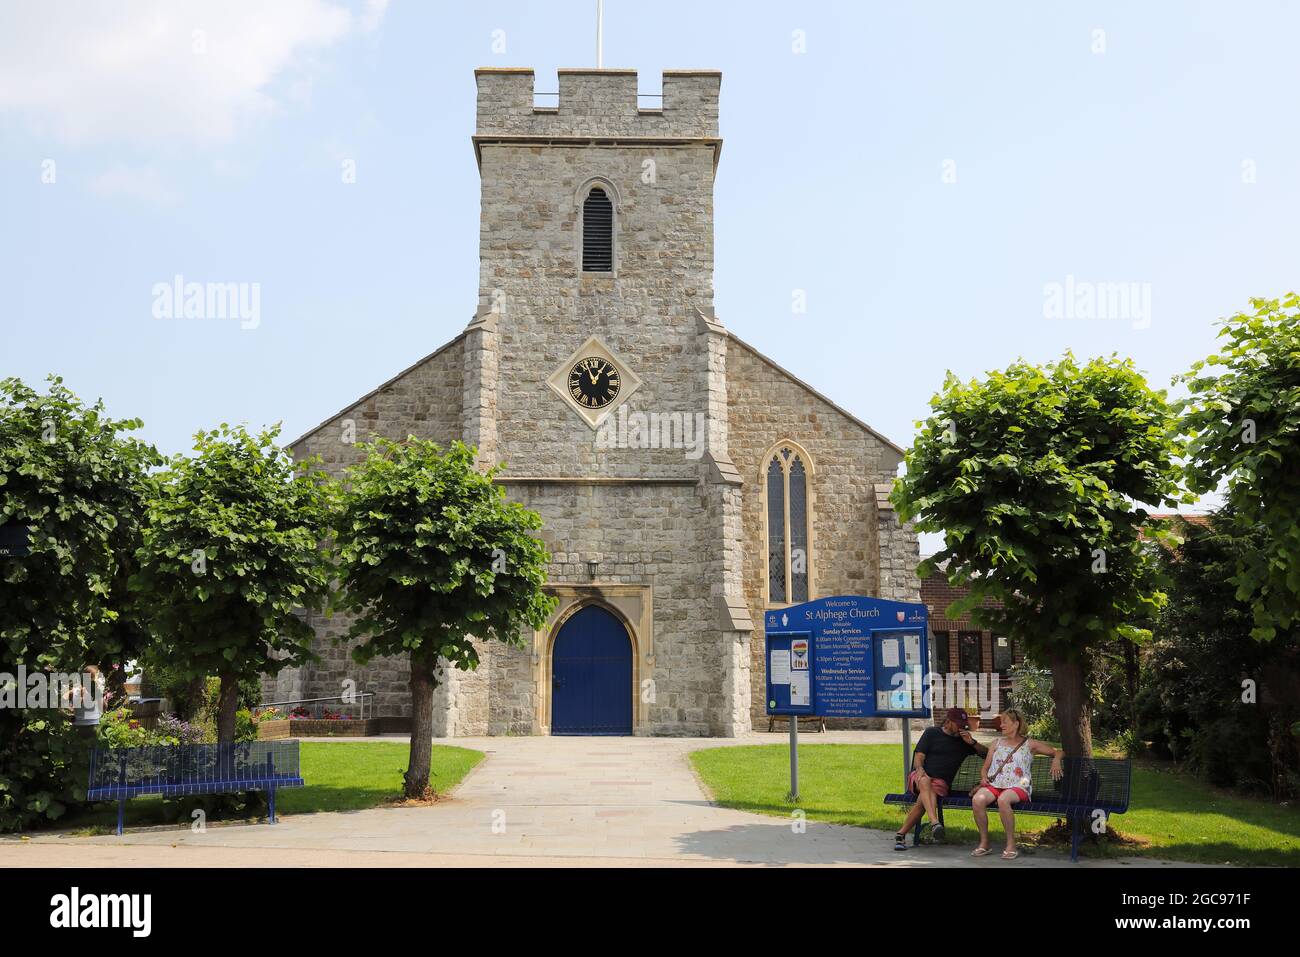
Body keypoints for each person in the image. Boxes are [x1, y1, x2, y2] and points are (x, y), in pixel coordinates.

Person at [970, 707, 1063, 860]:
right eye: (1001, 722)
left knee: (1003, 800)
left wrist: (1057, 760)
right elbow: (985, 768)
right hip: (995, 785)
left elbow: (1058, 751)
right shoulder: (996, 743)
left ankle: (1011, 844)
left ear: (1016, 724)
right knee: (977, 799)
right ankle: (984, 843)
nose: (1001, 725)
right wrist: (983, 778)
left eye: (1005, 722)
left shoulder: (1030, 744)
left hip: (1019, 786)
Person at [895, 707, 988, 849]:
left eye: (964, 724)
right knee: (925, 781)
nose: (962, 727)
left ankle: (901, 835)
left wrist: (972, 743)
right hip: (919, 777)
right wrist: (919, 769)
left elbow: (987, 755)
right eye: (958, 724)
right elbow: (919, 756)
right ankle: (934, 822)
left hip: (940, 784)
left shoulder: (964, 742)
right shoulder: (932, 733)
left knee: (923, 799)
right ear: (949, 722)